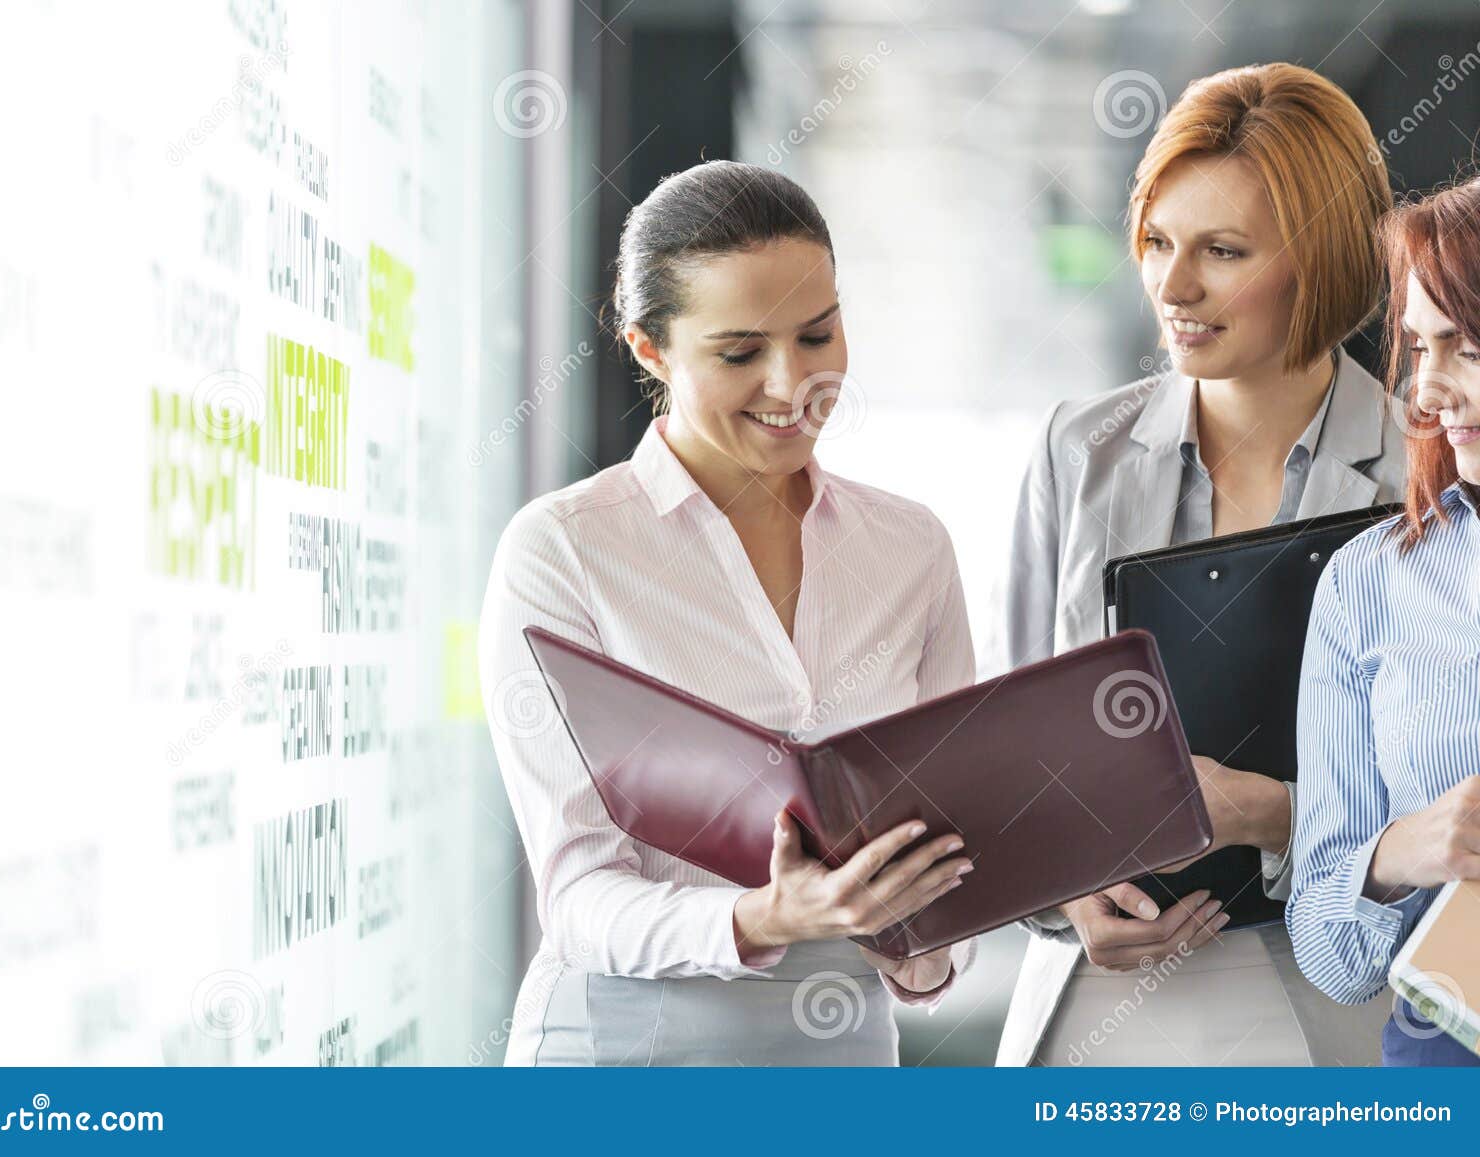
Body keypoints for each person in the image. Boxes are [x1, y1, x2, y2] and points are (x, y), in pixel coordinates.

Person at [478, 160, 978, 1066]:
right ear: (649, 350)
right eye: (741, 353)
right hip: (625, 1054)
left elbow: (953, 859)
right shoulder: (564, 550)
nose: (792, 386)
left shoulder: (911, 550)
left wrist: (923, 932)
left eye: (818, 335)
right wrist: (763, 917)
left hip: (842, 1053)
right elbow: (580, 893)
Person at [992, 63, 1402, 1067]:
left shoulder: (1427, 472)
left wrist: (1267, 810)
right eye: (1158, 242)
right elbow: (1006, 752)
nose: (1173, 288)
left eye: (1221, 251)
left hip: (1333, 1006)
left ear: (1321, 262)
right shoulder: (1074, 452)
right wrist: (1060, 890)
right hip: (1097, 1003)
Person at [1288, 176, 1480, 1067]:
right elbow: (1327, 950)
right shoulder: (1369, 583)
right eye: (1418, 346)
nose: (1430, 389)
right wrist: (1400, 850)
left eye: (1466, 346)